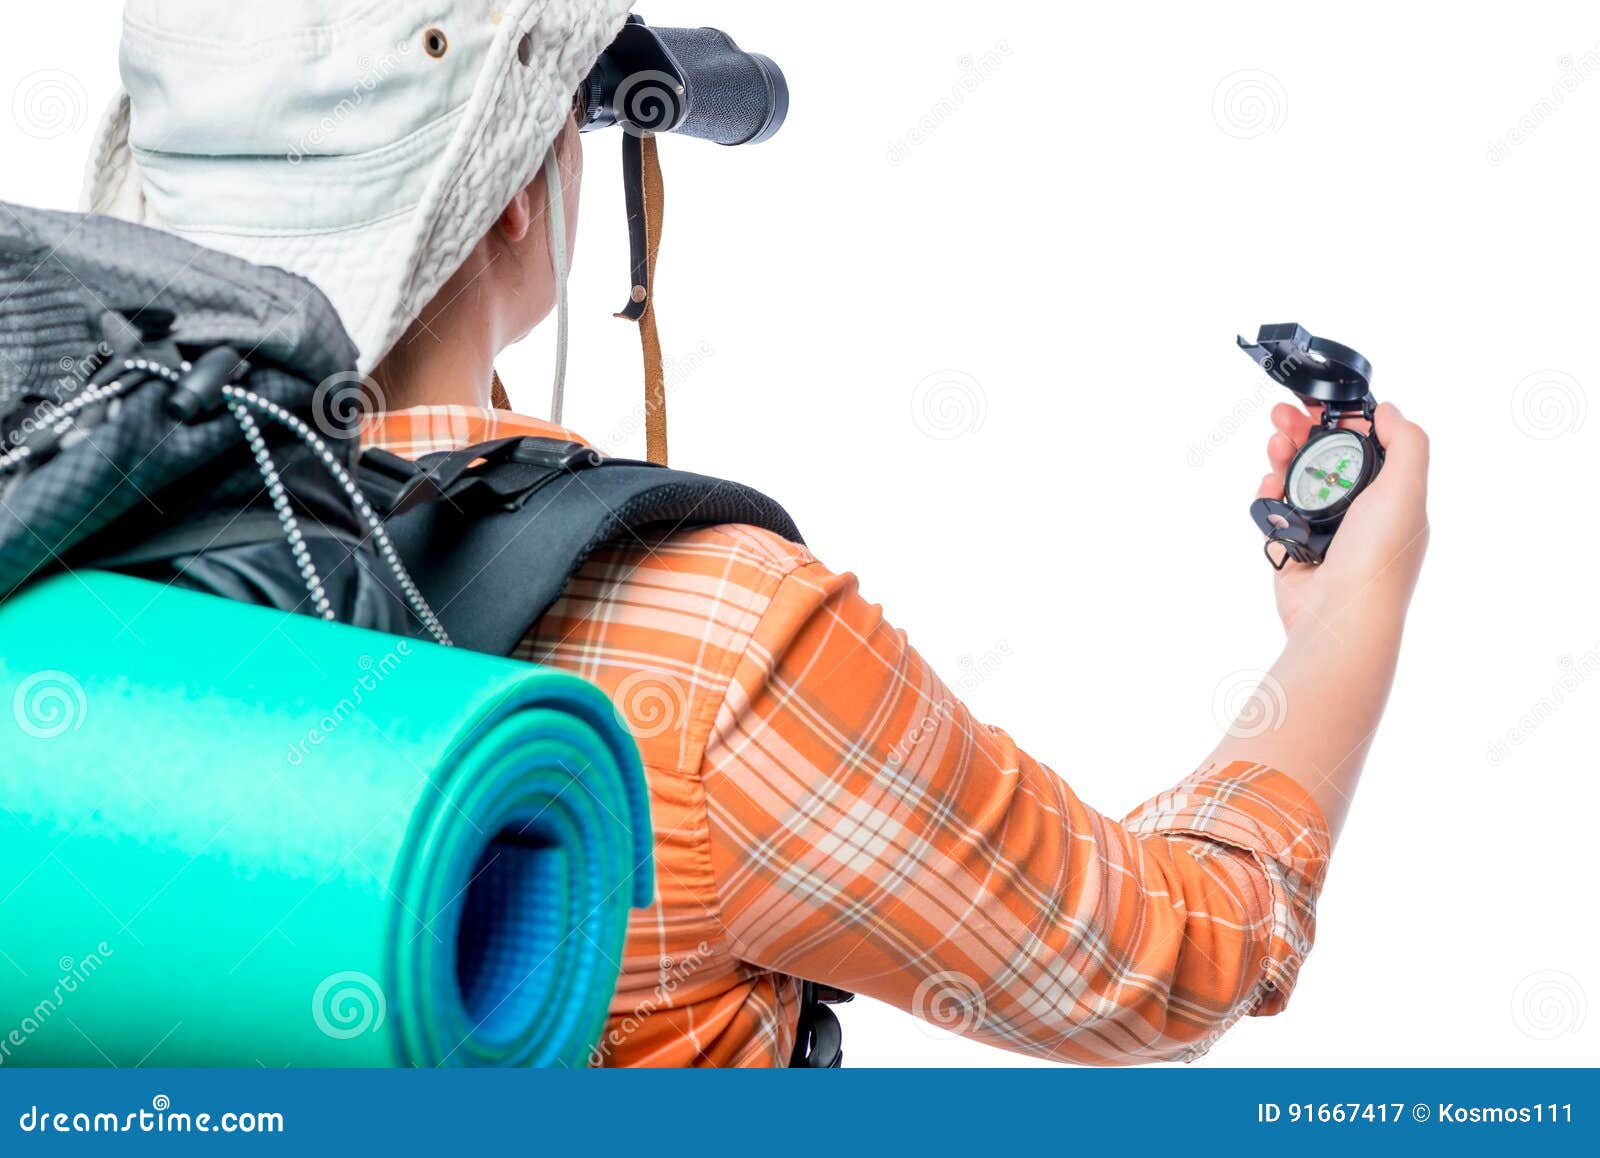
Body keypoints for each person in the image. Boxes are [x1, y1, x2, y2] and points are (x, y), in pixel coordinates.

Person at [85, 1, 1428, 1066]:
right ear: (512, 189)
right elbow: (1165, 963)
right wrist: (1352, 604)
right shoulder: (714, 637)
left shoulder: (62, 546)